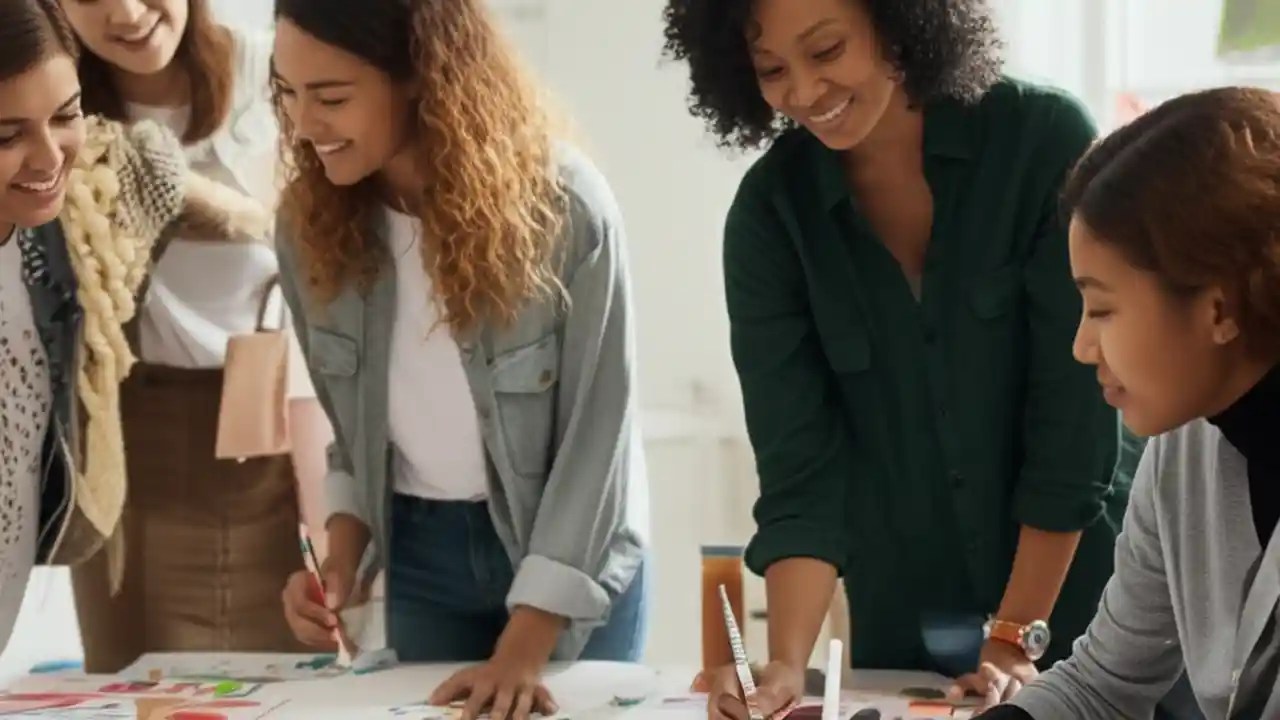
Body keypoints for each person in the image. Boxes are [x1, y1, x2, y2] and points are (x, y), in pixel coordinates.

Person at [662, 0, 1141, 713]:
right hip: (908, 629)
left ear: (899, 21)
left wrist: (1012, 636)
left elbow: (1073, 429)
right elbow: (801, 474)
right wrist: (786, 667)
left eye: (825, 51)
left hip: (1093, 609)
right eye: (770, 69)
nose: (802, 92)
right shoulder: (770, 217)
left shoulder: (1041, 141)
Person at [270, 0, 649, 717]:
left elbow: (598, 446)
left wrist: (525, 645)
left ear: (420, 75)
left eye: (331, 97)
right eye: (287, 94)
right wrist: (340, 562)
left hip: (573, 559)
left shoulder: (566, 211)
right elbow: (354, 439)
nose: (301, 124)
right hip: (422, 554)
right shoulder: (305, 229)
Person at [977, 86, 1280, 720]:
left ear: (1218, 306)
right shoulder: (1181, 446)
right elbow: (1099, 686)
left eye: (1103, 308)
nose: (1083, 346)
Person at [56, 0, 330, 671]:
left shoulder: (273, 70)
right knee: (133, 681)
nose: (124, 12)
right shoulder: (53, 104)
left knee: (270, 677)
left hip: (263, 429)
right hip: (121, 440)